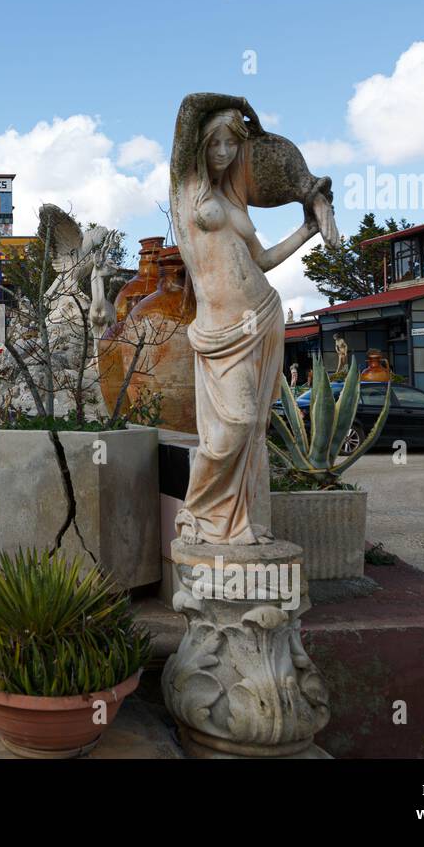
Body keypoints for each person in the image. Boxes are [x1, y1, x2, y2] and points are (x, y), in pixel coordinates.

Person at [167, 93, 334, 546]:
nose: (223, 152)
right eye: (215, 143)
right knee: (231, 429)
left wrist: (308, 229)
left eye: (232, 144)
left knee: (252, 430)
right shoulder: (186, 188)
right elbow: (188, 108)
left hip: (262, 316)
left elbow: (261, 260)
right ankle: (197, 515)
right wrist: (241, 104)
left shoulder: (233, 204)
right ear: (199, 147)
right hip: (221, 331)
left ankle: (237, 522)